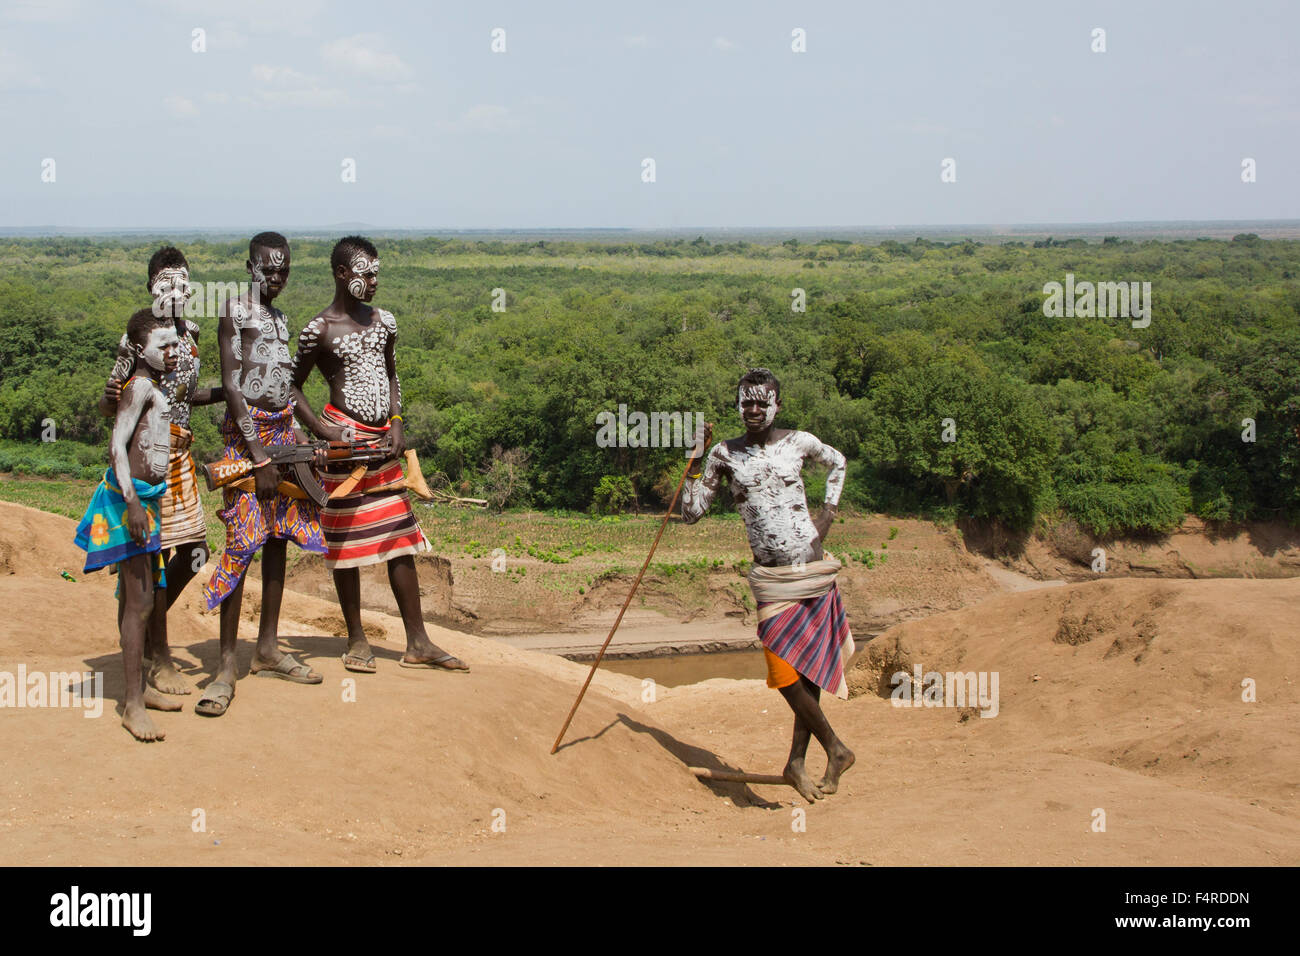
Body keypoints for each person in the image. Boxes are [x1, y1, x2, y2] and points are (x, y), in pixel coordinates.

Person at [290, 235, 468, 674]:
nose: (372, 282)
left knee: (399, 539)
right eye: (364, 274)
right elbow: (290, 386)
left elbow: (391, 374)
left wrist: (397, 422)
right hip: (344, 451)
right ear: (340, 274)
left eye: (376, 274)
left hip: (383, 446)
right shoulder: (320, 329)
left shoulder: (385, 322)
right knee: (345, 542)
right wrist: (322, 430)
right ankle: (356, 638)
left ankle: (418, 642)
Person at [680, 368, 855, 802]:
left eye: (762, 402)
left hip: (810, 568)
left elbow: (839, 462)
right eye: (746, 402)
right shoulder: (724, 454)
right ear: (738, 405)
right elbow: (691, 512)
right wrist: (695, 457)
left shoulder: (799, 442)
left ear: (777, 404)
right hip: (772, 578)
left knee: (808, 667)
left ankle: (798, 762)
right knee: (782, 670)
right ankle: (835, 747)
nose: (754, 409)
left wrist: (827, 516)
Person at [199, 232, 326, 716]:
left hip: (284, 438)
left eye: (284, 270)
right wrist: (257, 456)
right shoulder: (235, 310)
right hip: (249, 443)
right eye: (268, 269)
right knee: (242, 544)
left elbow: (285, 387)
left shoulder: (279, 318)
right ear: (250, 266)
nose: (276, 278)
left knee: (278, 540)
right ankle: (226, 666)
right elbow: (234, 386)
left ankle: (268, 648)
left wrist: (317, 430)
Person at [99, 246, 225, 696]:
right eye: (165, 282)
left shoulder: (190, 334)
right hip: (147, 453)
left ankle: (151, 628)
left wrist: (230, 393)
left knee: (194, 551)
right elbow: (111, 403)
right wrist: (111, 392)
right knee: (153, 554)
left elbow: (184, 397)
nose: (175, 290)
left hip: (182, 452)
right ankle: (161, 655)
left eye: (182, 282)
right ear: (151, 287)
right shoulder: (138, 336)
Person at [75, 310, 183, 740]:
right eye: (164, 345)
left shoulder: (150, 386)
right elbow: (116, 447)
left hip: (146, 501)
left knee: (140, 598)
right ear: (141, 350)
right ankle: (132, 705)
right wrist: (134, 503)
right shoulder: (138, 387)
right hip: (131, 501)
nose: (173, 352)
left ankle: (139, 692)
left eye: (176, 344)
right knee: (139, 604)